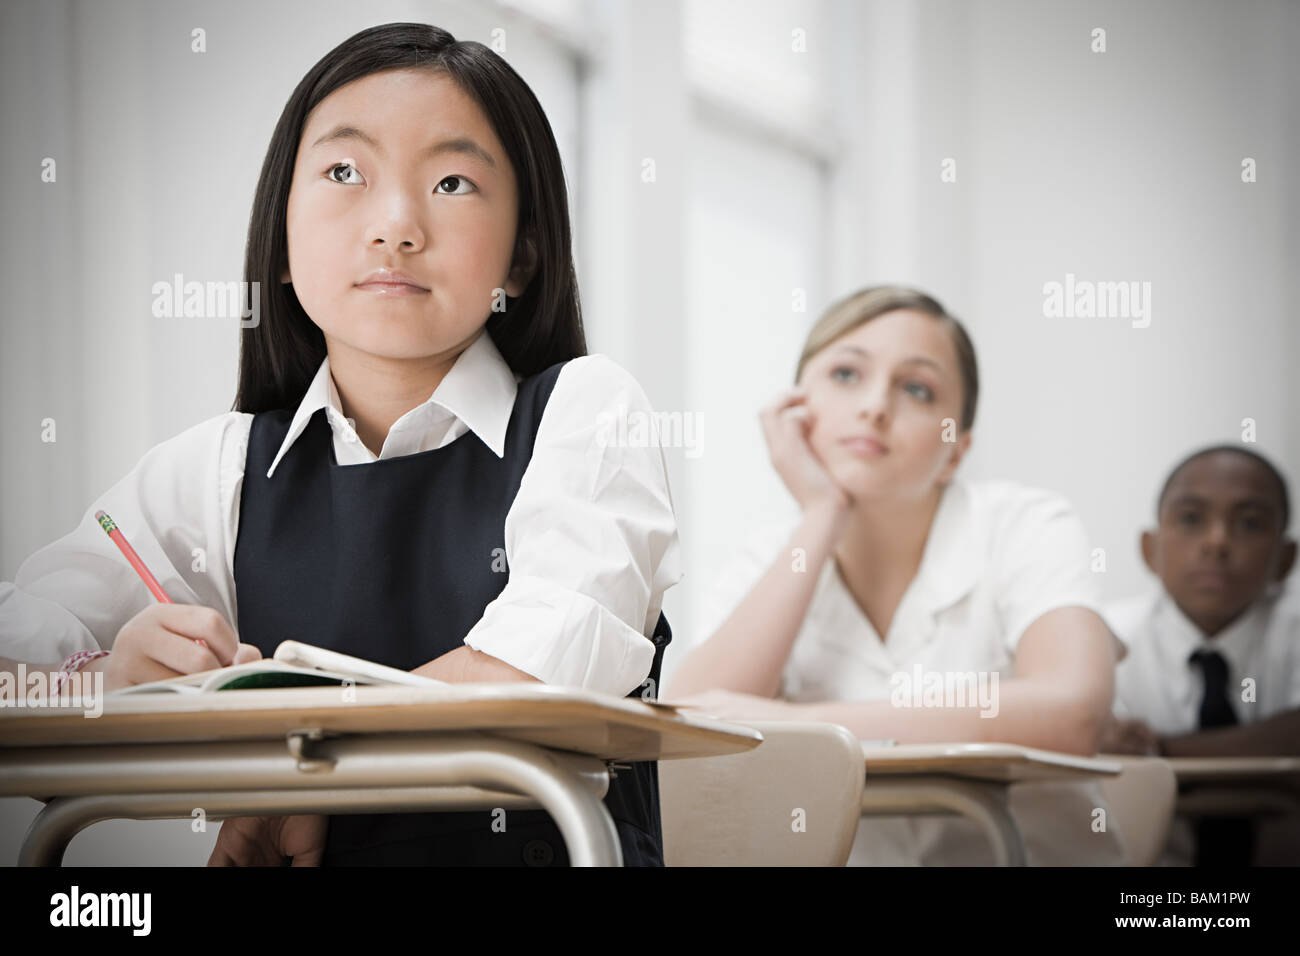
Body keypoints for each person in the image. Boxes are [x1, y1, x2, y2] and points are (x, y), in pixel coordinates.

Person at [0, 22, 683, 867]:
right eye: (343, 172)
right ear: (281, 242)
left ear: (522, 257)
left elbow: (542, 665)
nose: (395, 225)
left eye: (453, 181)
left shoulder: (588, 411)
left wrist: (305, 776)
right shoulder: (216, 470)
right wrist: (103, 683)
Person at [669, 285, 1126, 865]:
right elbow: (693, 728)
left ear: (955, 451)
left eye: (917, 389)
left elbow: (1072, 711)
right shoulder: (771, 558)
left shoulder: (1025, 525)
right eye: (845, 375)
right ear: (792, 410)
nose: (875, 406)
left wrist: (799, 726)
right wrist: (822, 513)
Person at [1101, 445, 1299, 865]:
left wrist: (1158, 752)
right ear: (1149, 549)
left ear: (1286, 559)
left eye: (1250, 523)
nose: (1217, 542)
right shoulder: (1106, 637)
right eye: (1191, 519)